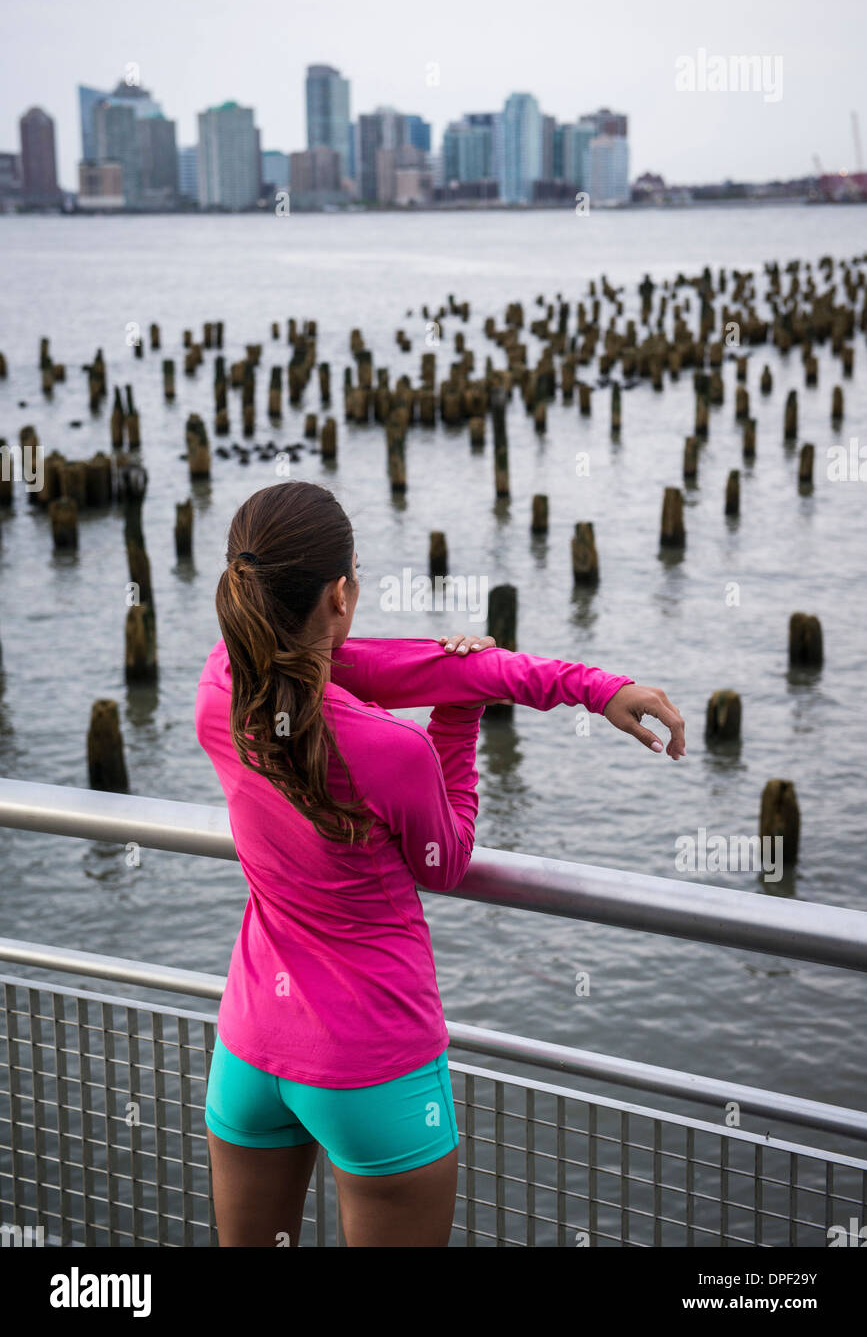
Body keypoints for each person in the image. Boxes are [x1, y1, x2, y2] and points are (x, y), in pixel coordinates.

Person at [195, 480, 685, 1247]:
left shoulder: (219, 686)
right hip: (372, 1065)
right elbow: (444, 861)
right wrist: (460, 712)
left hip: (249, 1052)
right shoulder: (392, 751)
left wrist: (586, 687)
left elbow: (362, 666)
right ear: (341, 593)